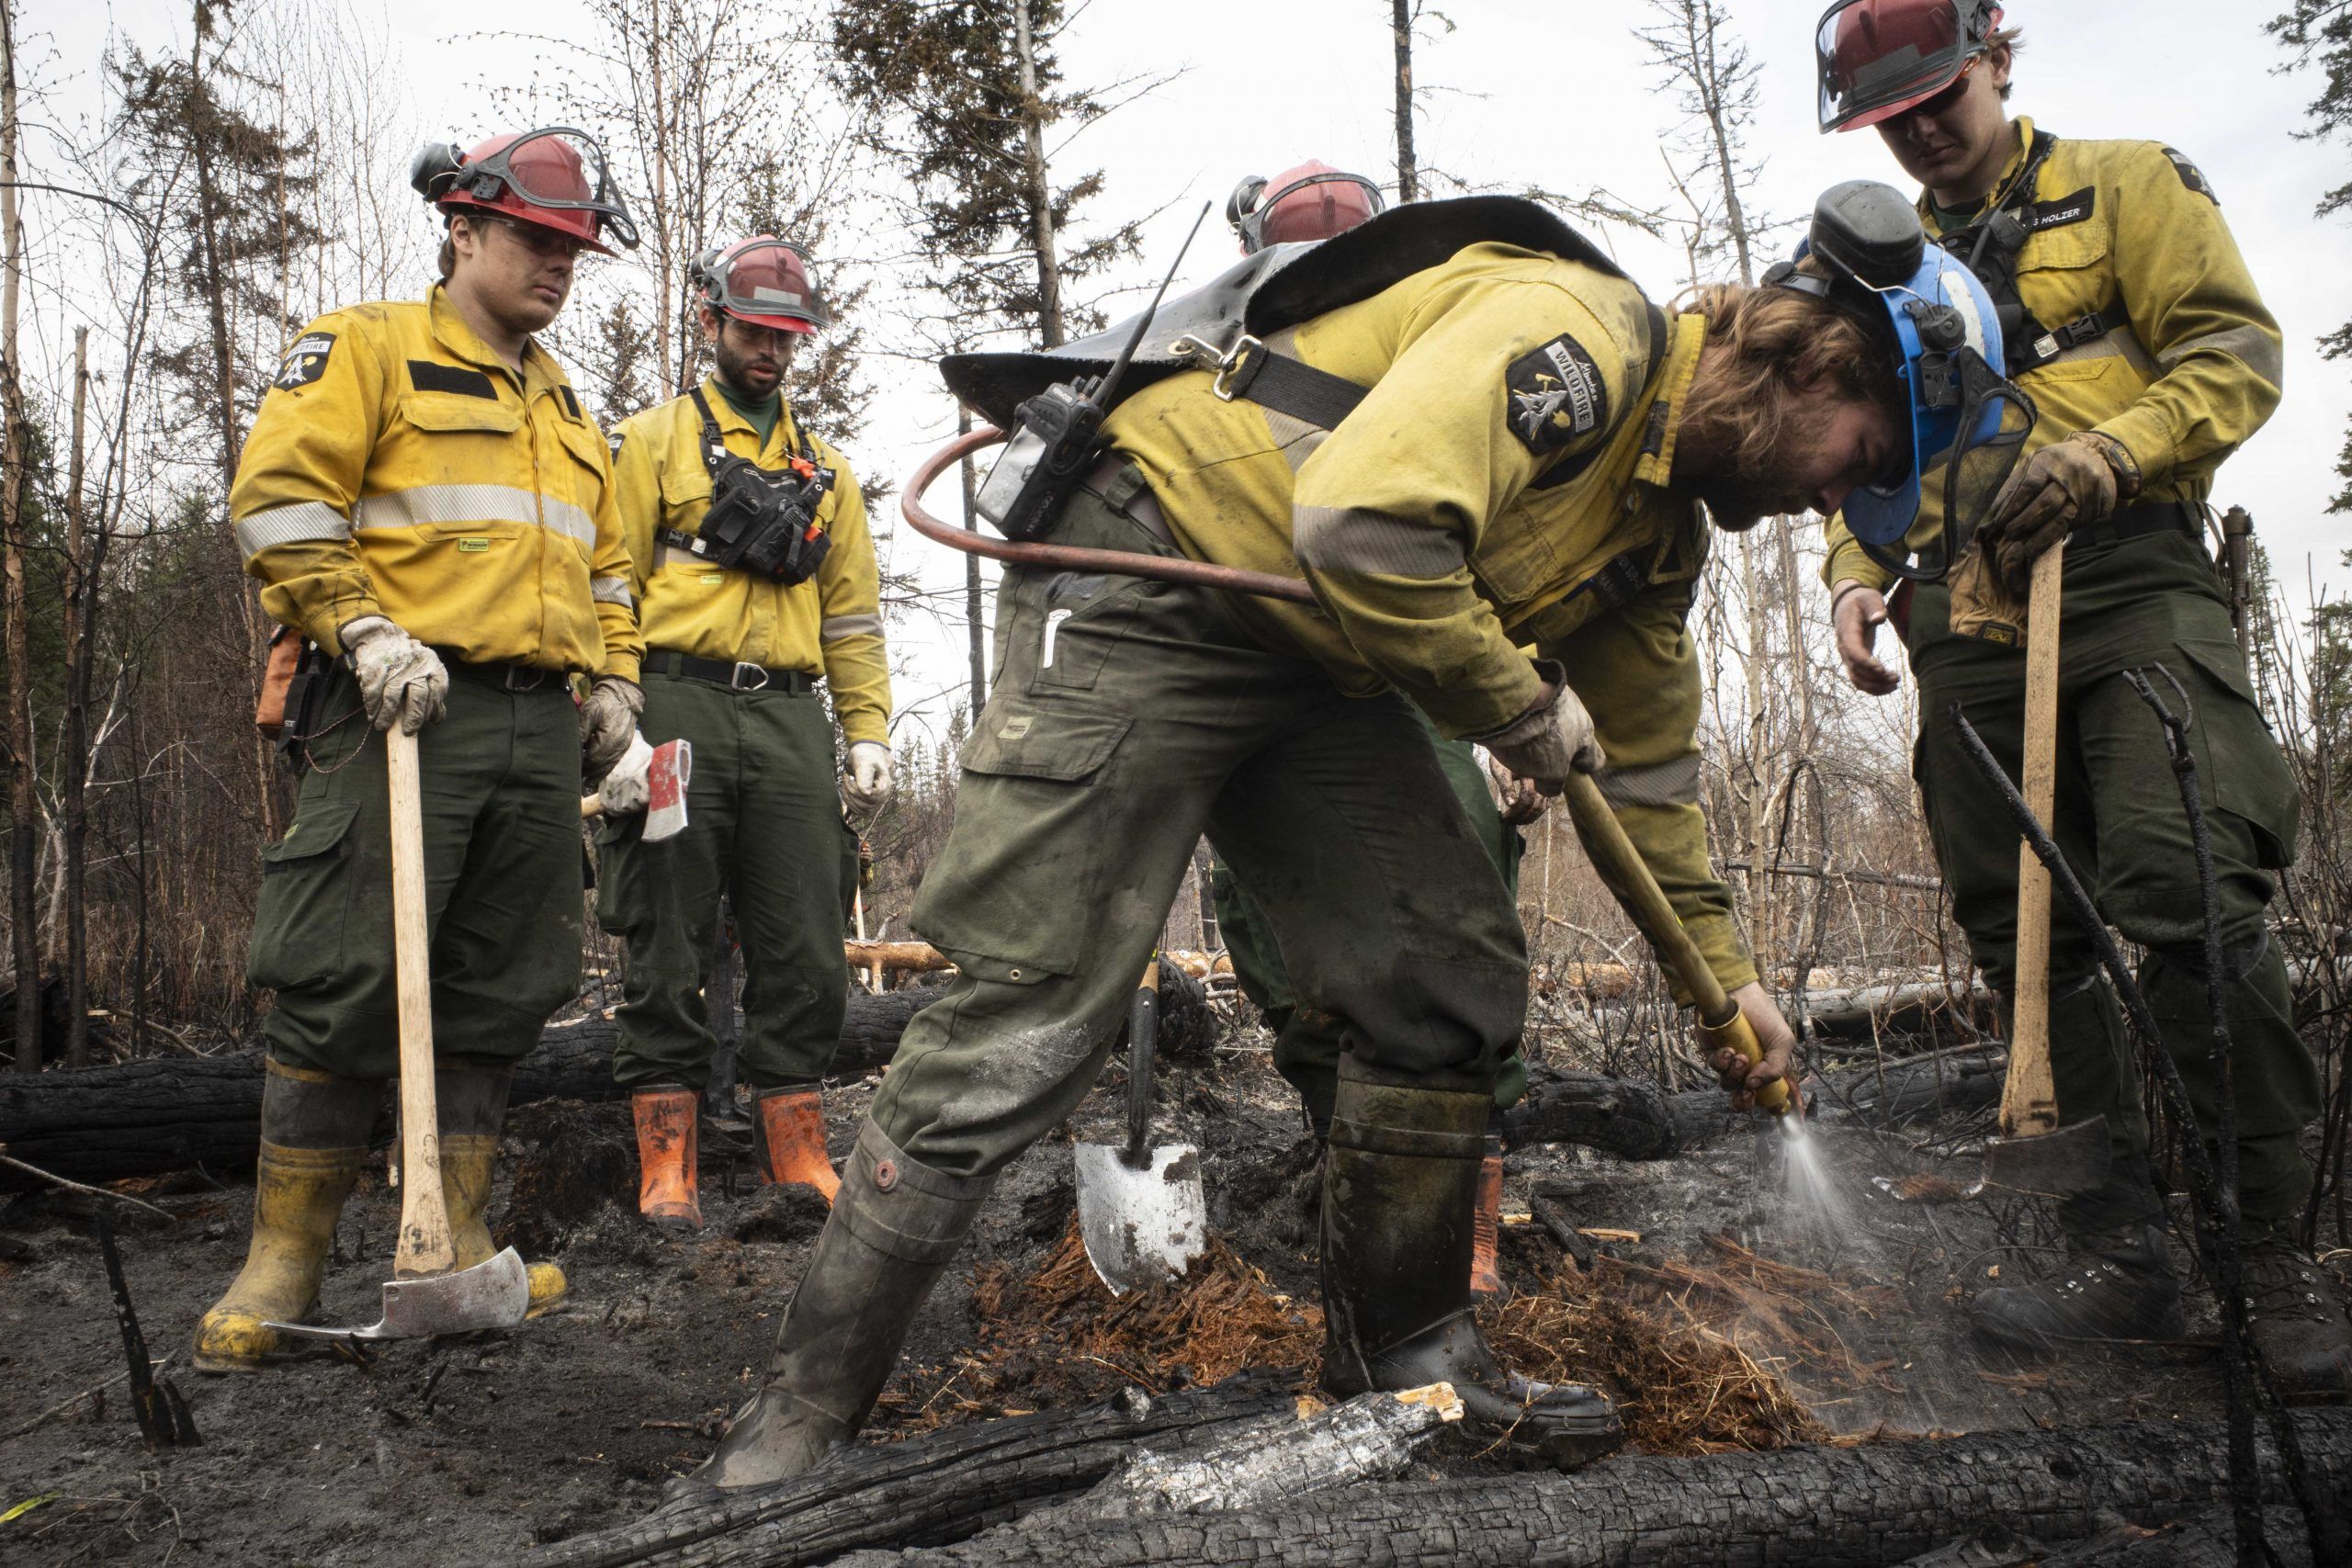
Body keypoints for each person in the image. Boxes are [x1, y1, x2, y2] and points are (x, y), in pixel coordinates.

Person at [672, 177, 2020, 1493]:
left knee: (1442, 975)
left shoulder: (1657, 538)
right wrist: (1517, 702)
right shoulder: (1580, 340)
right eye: (1861, 457)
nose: (1833, 502)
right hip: (1155, 571)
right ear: (1809, 366)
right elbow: (1363, 521)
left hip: (1323, 655)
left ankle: (1407, 1357)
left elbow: (1652, 781)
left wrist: (1722, 982)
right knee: (1032, 1004)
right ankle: (799, 1413)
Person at [1816, 1, 2349, 1395]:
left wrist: (2114, 451)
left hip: (2130, 580)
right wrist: (1853, 579)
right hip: (1968, 615)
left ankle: (2272, 1257)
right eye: (1894, 115)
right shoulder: (1880, 264)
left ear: (1996, 59)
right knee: (2019, 930)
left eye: (1941, 94)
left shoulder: (2130, 184)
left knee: (2191, 890)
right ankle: (2124, 1256)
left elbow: (2234, 355)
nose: (1924, 129)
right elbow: (1857, 451)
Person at [197, 128, 646, 1371]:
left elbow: (606, 566)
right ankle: (283, 1258)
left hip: (534, 725)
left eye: (574, 249)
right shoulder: (368, 348)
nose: (559, 265)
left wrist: (613, 683)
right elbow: (278, 497)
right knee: (344, 972)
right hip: (401, 711)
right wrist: (362, 624)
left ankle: (452, 1240)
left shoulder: (565, 402)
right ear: (462, 229)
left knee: (500, 986)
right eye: (535, 241)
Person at [1213, 159, 1540, 1297]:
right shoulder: (1221, 364)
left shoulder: (1434, 353)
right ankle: (1356, 1178)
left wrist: (1525, 706)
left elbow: (1506, 533)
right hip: (1273, 679)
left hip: (1418, 674)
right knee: (1286, 939)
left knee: (1458, 935)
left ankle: (1468, 1215)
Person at [599, 237, 893, 1230]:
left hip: (788, 716)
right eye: (754, 330)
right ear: (712, 320)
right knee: (666, 929)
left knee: (805, 937)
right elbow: (608, 585)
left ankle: (797, 1151)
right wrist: (614, 723)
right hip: (675, 705)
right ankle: (668, 1162)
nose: (770, 351)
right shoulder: (650, 444)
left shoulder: (829, 476)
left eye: (786, 337)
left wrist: (866, 729)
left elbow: (853, 617)